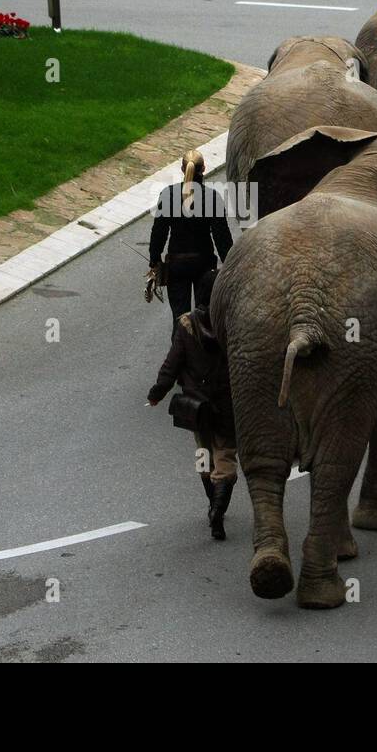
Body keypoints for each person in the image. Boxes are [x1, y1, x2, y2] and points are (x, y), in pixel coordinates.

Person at [146, 269, 237, 539]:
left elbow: (171, 364)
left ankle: (212, 503)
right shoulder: (233, 325)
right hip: (227, 404)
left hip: (197, 406)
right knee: (226, 455)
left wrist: (157, 392)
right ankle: (218, 511)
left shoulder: (185, 326)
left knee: (203, 454)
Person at [147, 149, 232, 326]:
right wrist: (230, 265)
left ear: (182, 168)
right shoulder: (212, 197)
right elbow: (222, 237)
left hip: (176, 266)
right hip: (204, 265)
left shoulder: (168, 195)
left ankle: (180, 349)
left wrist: (154, 259)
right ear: (204, 169)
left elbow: (159, 232)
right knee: (205, 319)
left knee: (180, 319)